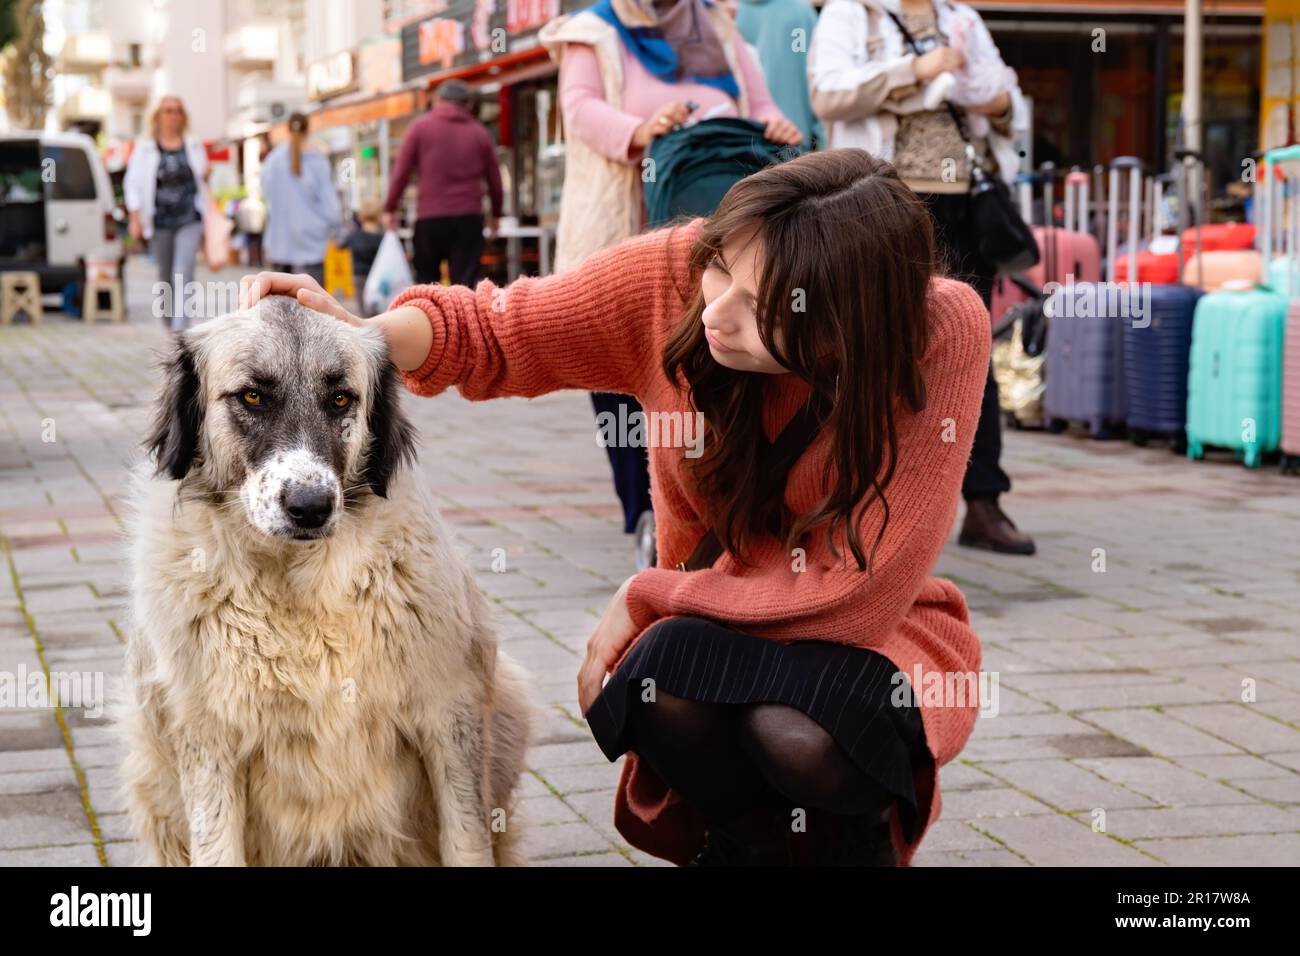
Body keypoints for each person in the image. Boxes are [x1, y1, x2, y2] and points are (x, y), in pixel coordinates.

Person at [239, 149, 988, 867]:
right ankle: (744, 845)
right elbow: (502, 329)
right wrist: (361, 339)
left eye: (760, 307)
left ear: (848, 320)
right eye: (721, 271)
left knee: (794, 734)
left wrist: (645, 592)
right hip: (716, 621)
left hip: (869, 629)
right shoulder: (674, 275)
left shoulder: (938, 330)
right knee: (658, 674)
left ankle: (853, 848)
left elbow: (858, 593)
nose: (718, 314)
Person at [539, 0, 802, 566]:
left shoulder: (719, 24)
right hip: (624, 223)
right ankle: (644, 510)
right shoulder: (594, 30)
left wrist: (775, 125)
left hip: (713, 229)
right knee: (616, 367)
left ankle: (712, 505)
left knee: (702, 364)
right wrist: (641, 129)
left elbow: (760, 105)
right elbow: (579, 109)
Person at [810, 0, 1037, 555]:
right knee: (869, 347)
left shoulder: (960, 16)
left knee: (970, 348)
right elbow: (828, 94)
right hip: (884, 204)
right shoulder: (849, 13)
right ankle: (855, 501)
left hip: (964, 207)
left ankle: (983, 501)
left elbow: (1012, 104)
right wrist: (916, 71)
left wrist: (992, 100)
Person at [382, 80, 503, 287]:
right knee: (464, 287)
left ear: (437, 100)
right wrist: (496, 214)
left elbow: (400, 173)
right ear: (469, 105)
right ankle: (462, 320)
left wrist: (390, 208)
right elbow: (495, 180)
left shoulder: (419, 128)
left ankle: (427, 319)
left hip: (429, 218)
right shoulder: (480, 133)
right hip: (468, 218)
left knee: (428, 285)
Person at [123, 95, 209, 332]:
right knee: (165, 275)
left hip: (189, 218)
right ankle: (169, 321)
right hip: (159, 220)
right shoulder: (146, 147)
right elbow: (132, 184)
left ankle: (180, 329)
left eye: (178, 111)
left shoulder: (192, 144)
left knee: (184, 270)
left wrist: (206, 174)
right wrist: (135, 217)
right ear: (158, 115)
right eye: (168, 111)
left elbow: (201, 179)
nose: (173, 115)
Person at [261, 113, 342, 287]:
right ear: (308, 129)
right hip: (311, 242)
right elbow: (330, 204)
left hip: (279, 241)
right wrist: (337, 230)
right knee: (312, 307)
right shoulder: (318, 160)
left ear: (287, 129)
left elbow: (266, 193)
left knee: (279, 308)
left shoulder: (273, 161)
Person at [735, 0, 825, 149]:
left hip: (742, 147)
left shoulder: (721, 11)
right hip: (797, 143)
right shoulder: (798, 14)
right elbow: (808, 67)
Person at [342, 199, 386, 317]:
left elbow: (341, 245)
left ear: (361, 216)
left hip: (359, 276)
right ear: (378, 216)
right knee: (377, 303)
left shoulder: (355, 235)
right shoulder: (382, 237)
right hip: (377, 276)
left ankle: (364, 323)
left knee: (361, 304)